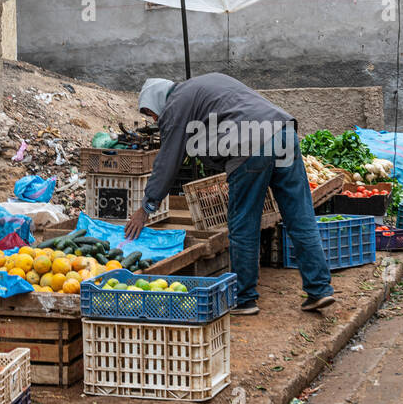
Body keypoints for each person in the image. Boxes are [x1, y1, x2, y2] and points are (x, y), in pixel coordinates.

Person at [126, 73, 335, 315]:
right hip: (284, 132)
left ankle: (244, 299)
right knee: (301, 218)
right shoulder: (202, 86)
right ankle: (319, 290)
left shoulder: (176, 104)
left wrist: (147, 207)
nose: (154, 119)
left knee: (244, 223)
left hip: (252, 146)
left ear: (158, 101)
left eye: (151, 113)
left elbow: (167, 161)